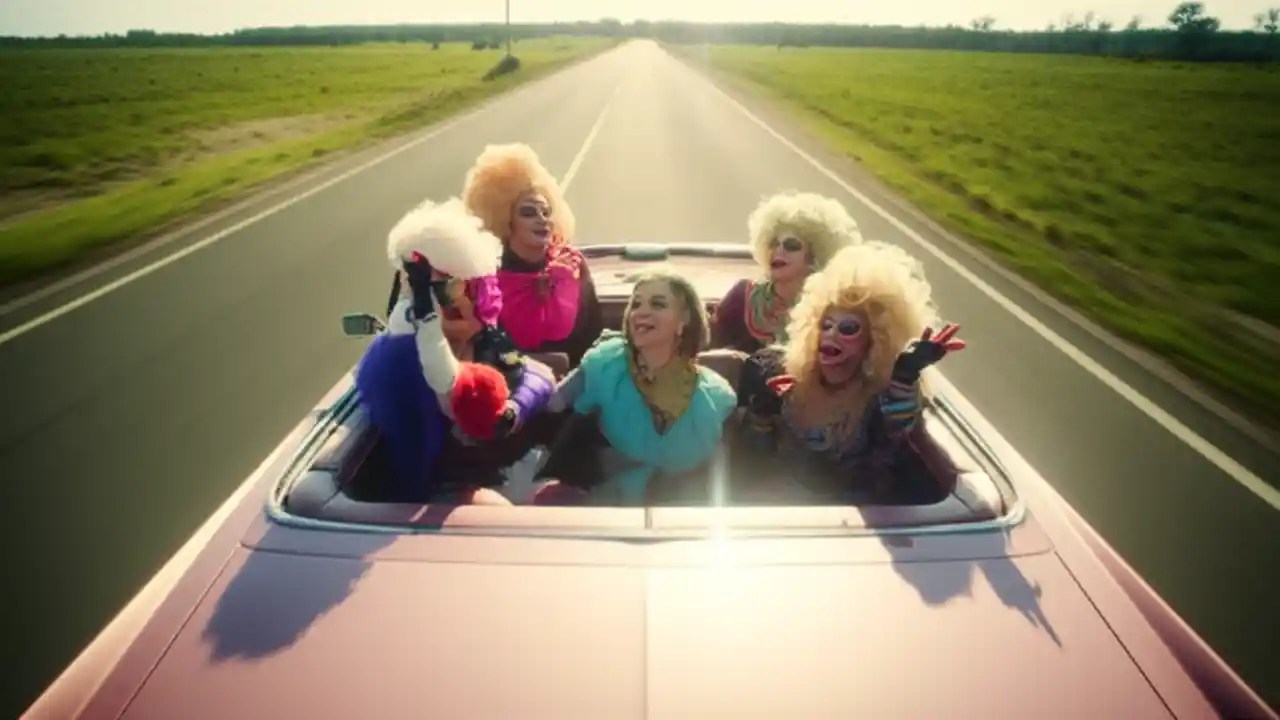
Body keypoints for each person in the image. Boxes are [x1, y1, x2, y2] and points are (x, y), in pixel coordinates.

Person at [354, 197, 557, 505]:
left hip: (491, 468)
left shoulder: (478, 340)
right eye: (430, 289)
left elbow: (540, 375)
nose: (458, 303)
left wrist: (514, 409)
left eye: (468, 287)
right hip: (432, 492)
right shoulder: (405, 355)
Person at [734, 241, 966, 504]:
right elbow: (749, 461)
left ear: (874, 341)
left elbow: (900, 432)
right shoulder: (775, 371)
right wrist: (761, 414)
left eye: (848, 329)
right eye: (827, 324)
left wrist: (904, 376)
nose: (831, 334)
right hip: (776, 510)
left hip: (844, 523)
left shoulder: (880, 402)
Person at [531, 272, 737, 506]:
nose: (642, 312)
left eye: (657, 304)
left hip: (682, 518)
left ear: (685, 320)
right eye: (636, 304)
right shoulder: (605, 364)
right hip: (600, 510)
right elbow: (550, 403)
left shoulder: (716, 398)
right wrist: (526, 376)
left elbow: (723, 486)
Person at [462, 143, 604, 366]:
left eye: (546, 212)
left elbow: (593, 336)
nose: (542, 219)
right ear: (505, 221)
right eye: (529, 212)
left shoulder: (572, 264)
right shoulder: (486, 278)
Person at [712, 192, 862, 353]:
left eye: (791, 245)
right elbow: (704, 356)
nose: (778, 250)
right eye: (773, 243)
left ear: (814, 256)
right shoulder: (741, 298)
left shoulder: (829, 311)